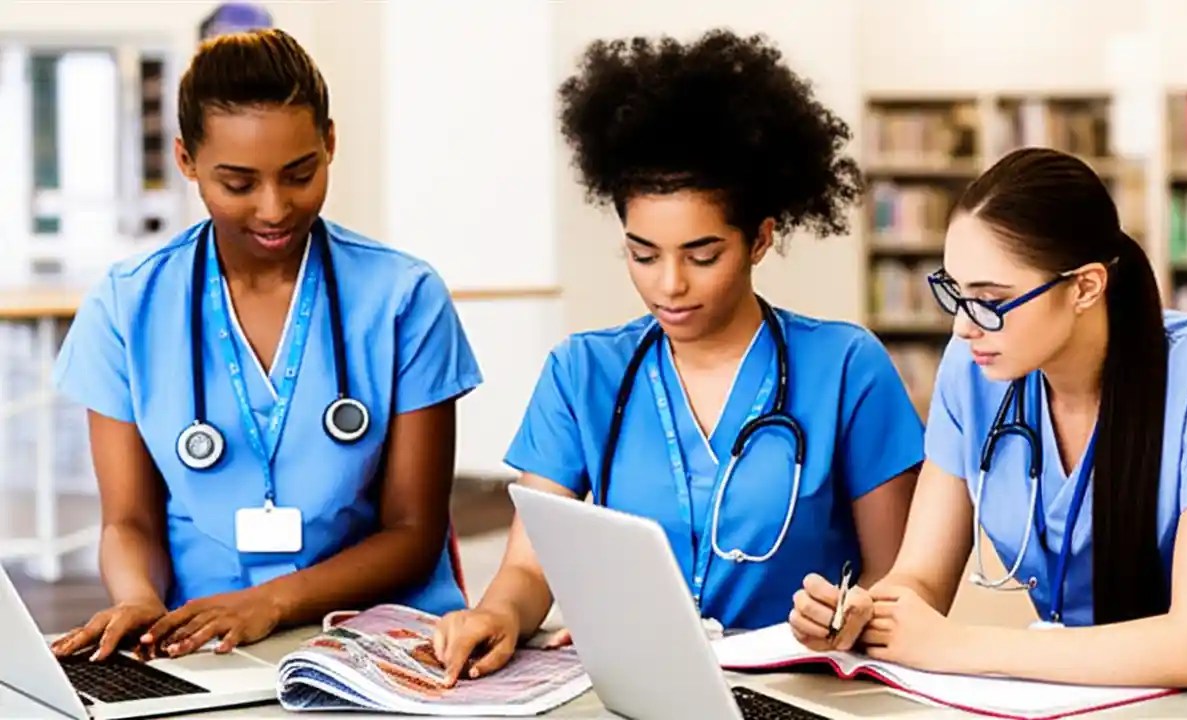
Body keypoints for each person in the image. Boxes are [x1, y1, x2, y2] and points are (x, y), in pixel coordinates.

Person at [430, 28, 924, 684]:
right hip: (640, 685)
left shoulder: (845, 369)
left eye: (702, 255)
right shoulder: (583, 374)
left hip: (798, 689)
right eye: (642, 254)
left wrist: (846, 616)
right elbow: (529, 567)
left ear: (760, 240)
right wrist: (498, 613)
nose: (669, 284)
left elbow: (898, 583)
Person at [49, 29, 482, 662]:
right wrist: (139, 598)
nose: (274, 208)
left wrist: (271, 603)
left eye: (300, 174)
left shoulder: (402, 297)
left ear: (330, 144)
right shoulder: (129, 304)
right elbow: (130, 521)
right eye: (238, 183)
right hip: (199, 639)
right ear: (186, 160)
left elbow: (415, 532)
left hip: (373, 637)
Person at [790, 147, 1187, 690]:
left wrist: (958, 645)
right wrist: (861, 615)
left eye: (990, 300)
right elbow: (920, 580)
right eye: (955, 292)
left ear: (1086, 287)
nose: (962, 328)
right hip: (1072, 699)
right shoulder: (973, 372)